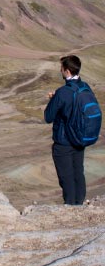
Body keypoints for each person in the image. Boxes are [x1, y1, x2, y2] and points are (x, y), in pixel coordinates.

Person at [45, 54, 96, 206]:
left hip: (64, 141)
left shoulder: (63, 92)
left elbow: (48, 116)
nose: (60, 71)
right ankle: (79, 203)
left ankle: (70, 205)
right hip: (80, 139)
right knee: (78, 173)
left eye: (61, 68)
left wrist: (53, 100)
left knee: (66, 176)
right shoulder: (85, 87)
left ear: (67, 71)